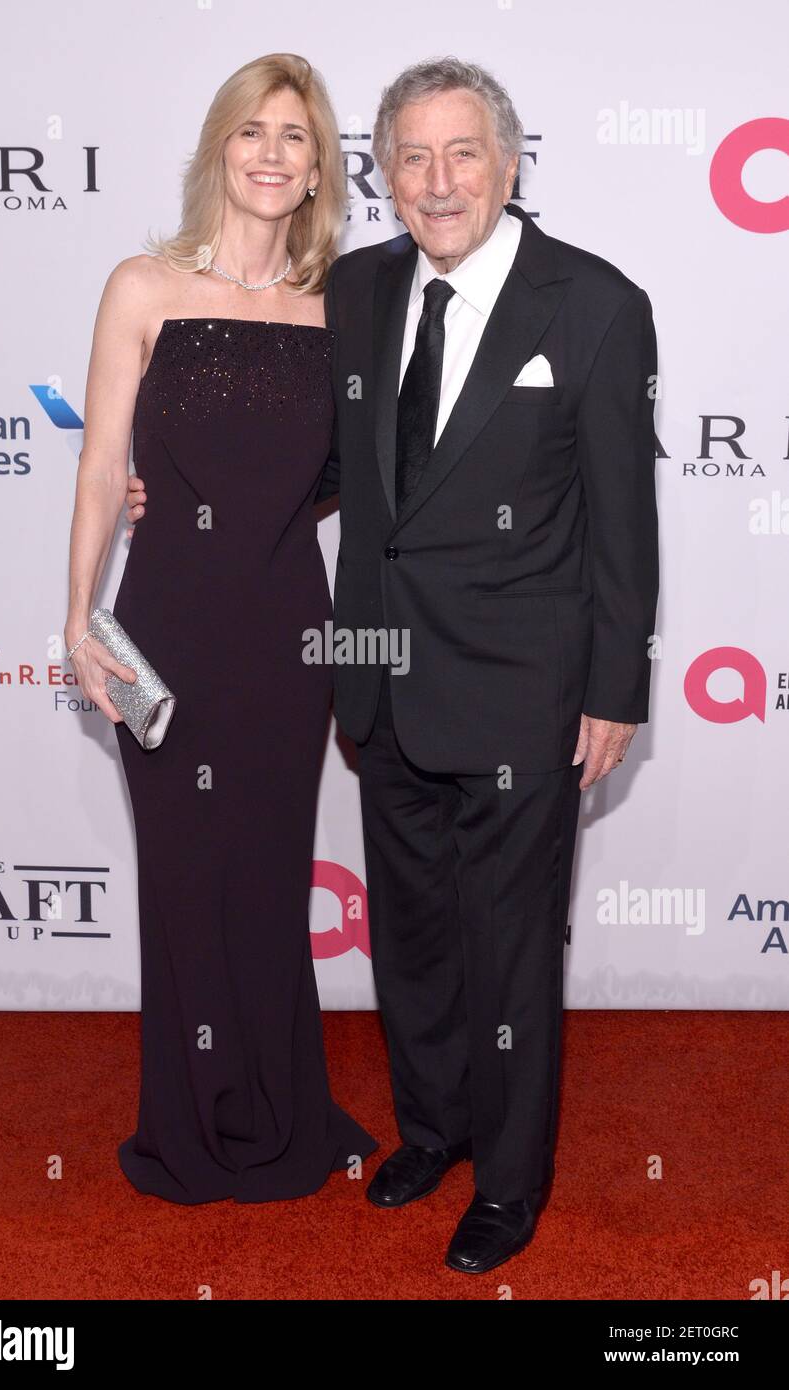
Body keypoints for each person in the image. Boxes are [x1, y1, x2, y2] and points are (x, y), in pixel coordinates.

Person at [128, 56, 659, 1271]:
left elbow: (623, 523)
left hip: (524, 690)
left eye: (461, 153)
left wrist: (613, 690)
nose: (437, 181)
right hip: (375, 674)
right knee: (413, 939)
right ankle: (432, 1132)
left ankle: (508, 1188)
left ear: (508, 165)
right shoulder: (359, 289)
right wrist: (177, 481)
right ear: (382, 176)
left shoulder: (593, 303)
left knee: (508, 951)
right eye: (410, 158)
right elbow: (321, 459)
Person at [64, 52, 377, 1206]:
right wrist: (76, 617)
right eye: (251, 131)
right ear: (219, 150)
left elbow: (354, 473)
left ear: (318, 168)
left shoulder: (338, 310)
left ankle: (279, 1110)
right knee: (186, 876)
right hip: (167, 632)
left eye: (294, 136)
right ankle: (192, 1122)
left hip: (290, 634)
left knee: (267, 875)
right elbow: (102, 465)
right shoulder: (143, 287)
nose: (270, 154)